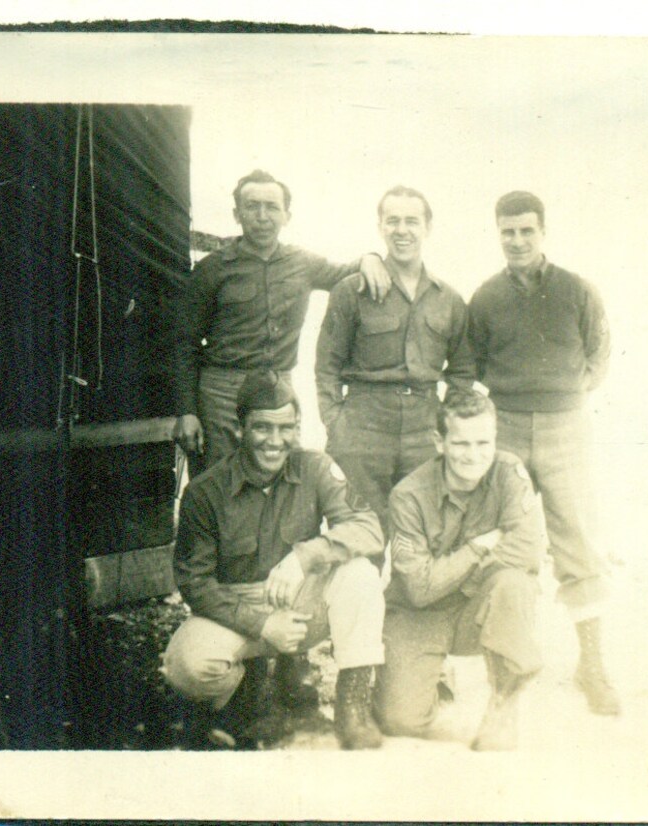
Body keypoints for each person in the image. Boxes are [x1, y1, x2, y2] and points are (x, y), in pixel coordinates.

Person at [162, 370, 386, 750]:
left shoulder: (314, 468)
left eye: (287, 428)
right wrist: (263, 624)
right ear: (239, 428)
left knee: (360, 575)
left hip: (300, 602)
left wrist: (307, 554)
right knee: (185, 666)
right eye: (262, 428)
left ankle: (353, 705)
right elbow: (195, 585)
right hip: (236, 608)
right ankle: (240, 693)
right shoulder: (205, 492)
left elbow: (368, 528)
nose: (275, 441)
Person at [467, 190, 618, 715]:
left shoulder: (577, 290)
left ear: (543, 232)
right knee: (509, 539)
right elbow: (473, 363)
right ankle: (509, 663)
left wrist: (566, 395)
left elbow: (600, 354)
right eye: (507, 232)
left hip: (565, 427)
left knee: (576, 541)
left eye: (526, 231)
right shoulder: (485, 298)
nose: (517, 241)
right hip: (505, 424)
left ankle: (592, 665)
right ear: (498, 234)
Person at [174, 169, 392, 478]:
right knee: (219, 485)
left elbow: (345, 273)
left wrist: (371, 257)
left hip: (277, 390)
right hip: (222, 394)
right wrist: (187, 412)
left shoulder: (302, 263)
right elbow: (184, 343)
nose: (262, 216)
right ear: (237, 214)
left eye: (272, 207)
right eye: (252, 206)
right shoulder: (212, 269)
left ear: (286, 215)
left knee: (281, 483)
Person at [374, 387, 544, 750]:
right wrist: (479, 546)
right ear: (440, 442)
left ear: (495, 439)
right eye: (461, 444)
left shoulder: (510, 473)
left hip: (476, 608)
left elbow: (530, 549)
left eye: (484, 443)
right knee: (398, 721)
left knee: (513, 585)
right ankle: (430, 675)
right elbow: (418, 589)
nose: (474, 455)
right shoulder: (408, 495)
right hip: (421, 613)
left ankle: (503, 702)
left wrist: (458, 579)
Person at [315, 185, 474, 537]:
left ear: (427, 227)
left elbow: (462, 371)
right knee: (360, 535)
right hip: (362, 429)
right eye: (393, 221)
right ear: (380, 226)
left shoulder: (448, 299)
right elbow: (326, 365)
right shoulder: (350, 291)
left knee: (422, 535)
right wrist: (335, 422)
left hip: (423, 429)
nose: (402, 230)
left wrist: (445, 423)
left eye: (412, 221)